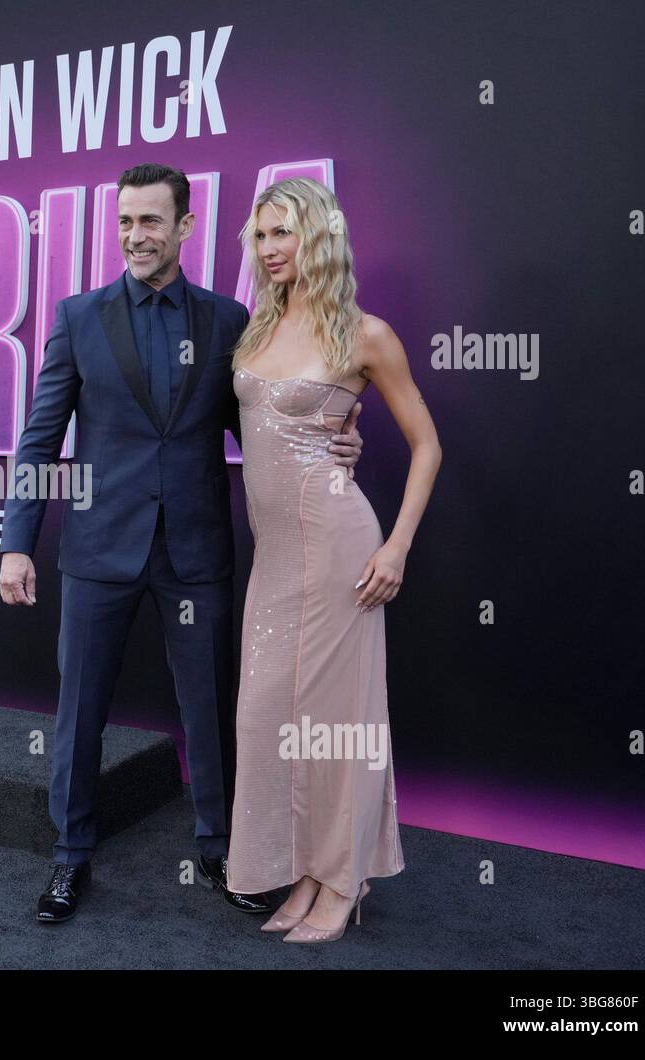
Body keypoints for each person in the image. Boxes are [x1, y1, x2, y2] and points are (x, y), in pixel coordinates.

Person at [0, 163, 363, 923]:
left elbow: (259, 426)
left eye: (152, 222)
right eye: (126, 221)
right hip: (99, 550)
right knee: (79, 712)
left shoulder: (231, 322)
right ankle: (70, 859)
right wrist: (16, 543)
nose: (136, 236)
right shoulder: (78, 317)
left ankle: (222, 845)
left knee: (210, 709)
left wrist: (333, 444)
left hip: (194, 552)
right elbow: (39, 442)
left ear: (186, 227)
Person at [224, 177, 441, 942]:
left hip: (345, 550)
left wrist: (397, 546)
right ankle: (303, 871)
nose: (268, 249)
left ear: (318, 236)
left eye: (282, 233)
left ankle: (341, 883)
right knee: (269, 721)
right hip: (275, 562)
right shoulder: (255, 329)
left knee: (333, 727)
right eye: (259, 236)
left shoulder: (366, 334)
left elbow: (428, 444)